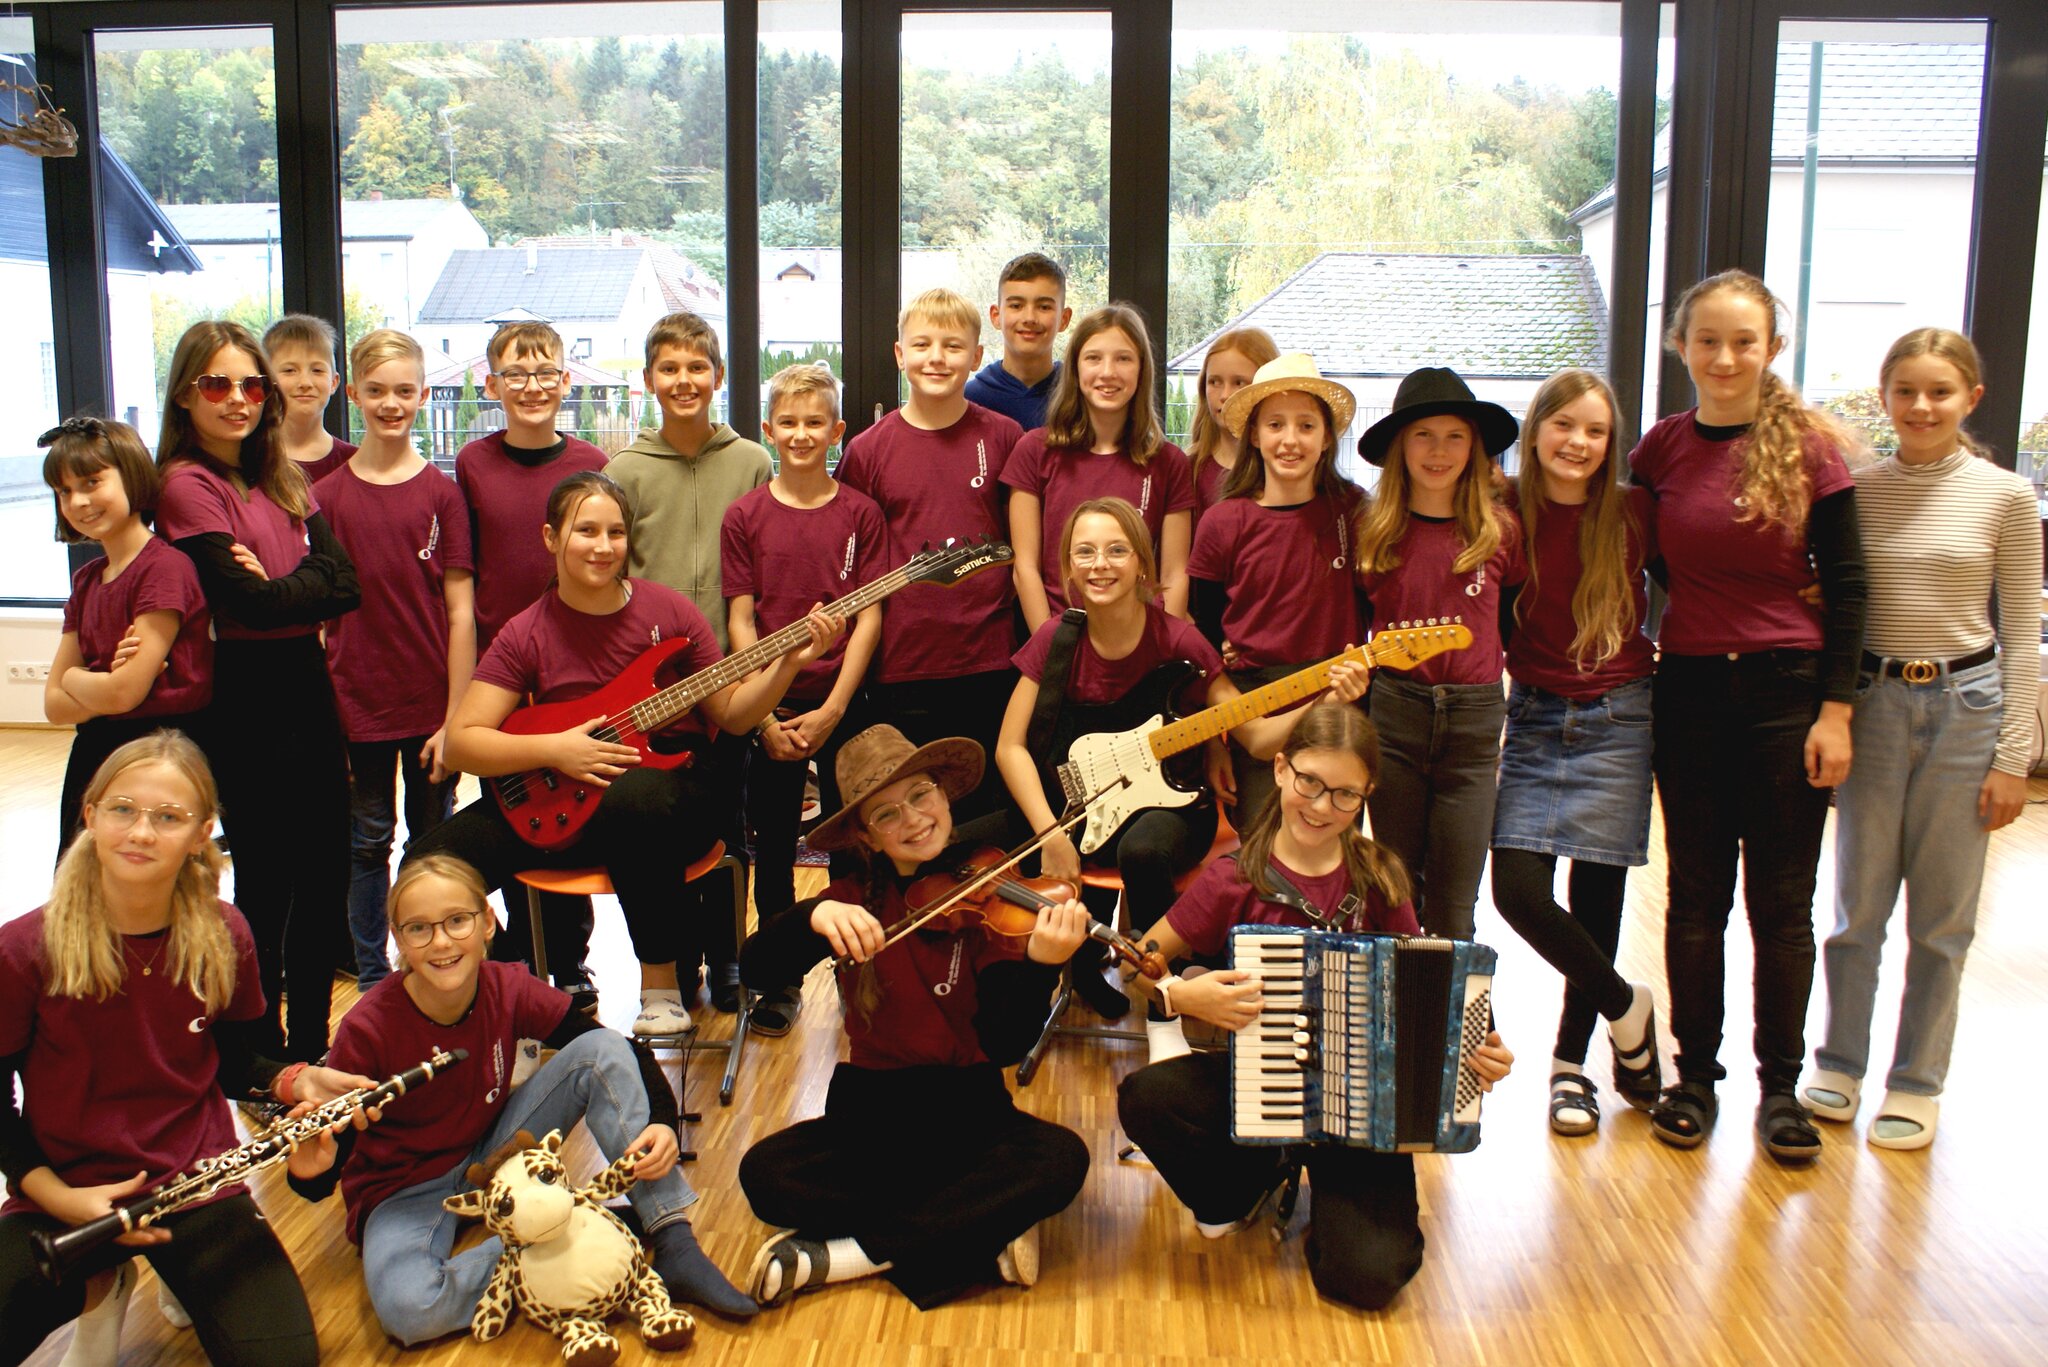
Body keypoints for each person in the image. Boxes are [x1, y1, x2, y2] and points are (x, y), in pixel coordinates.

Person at [410, 470, 841, 1036]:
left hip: (667, 808)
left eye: (616, 532)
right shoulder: (526, 631)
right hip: (560, 803)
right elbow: (465, 740)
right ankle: (480, 1000)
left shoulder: (671, 615)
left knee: (635, 799)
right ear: (550, 538)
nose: (603, 545)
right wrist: (558, 750)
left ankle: (659, 990)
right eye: (586, 530)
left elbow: (733, 713)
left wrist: (787, 661)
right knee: (427, 867)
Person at [1117, 702, 1514, 1310]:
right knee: (1146, 1098)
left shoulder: (1379, 880)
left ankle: (1330, 1198)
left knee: (1367, 1280)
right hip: (1256, 1084)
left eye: (1344, 794)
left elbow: (1431, 982)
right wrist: (1178, 993)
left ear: (1367, 796)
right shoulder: (1233, 878)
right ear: (1280, 770)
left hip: (1358, 1112)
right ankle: (1243, 1186)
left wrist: (1478, 1049)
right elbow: (1135, 960)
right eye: (1310, 782)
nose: (1322, 806)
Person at [0, 733, 374, 1367]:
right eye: (122, 809)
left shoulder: (225, 935)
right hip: (64, 1192)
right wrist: (62, 1199)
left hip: (192, 1184)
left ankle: (172, 1269)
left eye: (167, 817)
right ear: (88, 816)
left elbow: (231, 1062)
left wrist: (293, 1085)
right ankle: (104, 1280)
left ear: (203, 832)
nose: (141, 832)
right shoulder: (23, 948)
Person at [283, 852, 757, 1343]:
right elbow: (326, 1160)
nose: (442, 941)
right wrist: (309, 1173)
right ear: (398, 939)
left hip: (491, 1155)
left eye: (458, 921)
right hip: (403, 1191)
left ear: (487, 922)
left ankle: (674, 1239)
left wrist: (662, 1119)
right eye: (419, 929)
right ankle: (568, 1229)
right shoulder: (367, 1026)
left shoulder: (505, 985)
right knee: (411, 1310)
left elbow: (617, 1049)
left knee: (599, 1051)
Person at [1629, 268, 1868, 1162]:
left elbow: (1849, 587)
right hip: (1687, 690)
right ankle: (1696, 1077)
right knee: (1694, 899)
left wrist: (1835, 711)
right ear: (1680, 346)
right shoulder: (1659, 449)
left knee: (1780, 902)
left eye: (1745, 340)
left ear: (1772, 348)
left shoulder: (1812, 449)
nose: (1726, 357)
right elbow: (1646, 559)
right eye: (1709, 340)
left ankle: (1780, 1088)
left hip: (1787, 695)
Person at [736, 724, 1092, 1310]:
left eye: (921, 794)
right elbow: (757, 968)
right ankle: (979, 1230)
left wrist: (1039, 968)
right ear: (868, 838)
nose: (914, 819)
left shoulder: (991, 890)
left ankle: (844, 1258)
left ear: (945, 796)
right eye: (887, 814)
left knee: (1062, 1160)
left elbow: (1002, 1043)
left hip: (971, 1115)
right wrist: (812, 919)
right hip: (870, 1118)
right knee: (763, 1174)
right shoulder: (850, 903)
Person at [995, 497, 1370, 1020]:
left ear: (1143, 564)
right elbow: (1009, 746)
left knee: (1144, 851)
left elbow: (1258, 738)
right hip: (1081, 808)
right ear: (1067, 569)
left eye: (1116, 550)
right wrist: (1049, 835)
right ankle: (1081, 963)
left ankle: (1158, 984)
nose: (1100, 564)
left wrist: (1327, 696)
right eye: (1085, 552)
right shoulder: (1055, 640)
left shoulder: (1180, 642)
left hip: (1171, 808)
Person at [1805, 328, 2040, 1151]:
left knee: (1942, 919)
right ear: (1885, 397)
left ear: (1970, 398)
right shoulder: (1855, 493)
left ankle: (1916, 1081)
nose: (1921, 406)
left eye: (1939, 391)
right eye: (1905, 390)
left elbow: (2024, 632)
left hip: (1965, 708)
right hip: (1871, 702)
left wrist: (2015, 755)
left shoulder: (2006, 497)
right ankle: (1838, 1063)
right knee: (1856, 907)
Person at [155, 319, 360, 1062]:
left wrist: (283, 583)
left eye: (251, 384)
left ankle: (313, 1044)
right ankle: (258, 1050)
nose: (238, 399)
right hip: (246, 696)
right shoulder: (184, 484)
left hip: (307, 685)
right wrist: (293, 585)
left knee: (325, 877)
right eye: (218, 384)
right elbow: (252, 607)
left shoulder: (281, 474)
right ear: (185, 395)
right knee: (268, 885)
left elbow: (347, 584)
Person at [1487, 369, 1661, 1136]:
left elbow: (1708, 580)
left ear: (1611, 441)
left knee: (1598, 904)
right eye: (1564, 426)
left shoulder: (1632, 512)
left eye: (1595, 431)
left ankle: (1571, 1067)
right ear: (1537, 430)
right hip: (1532, 717)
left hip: (1620, 716)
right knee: (1518, 892)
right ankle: (1628, 1005)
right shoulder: (1501, 509)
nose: (1579, 443)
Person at [608, 310, 775, 1011]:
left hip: (731, 675)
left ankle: (728, 957)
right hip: (652, 689)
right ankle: (670, 962)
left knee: (729, 821)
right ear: (649, 379)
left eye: (696, 368)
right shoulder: (622, 470)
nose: (683, 380)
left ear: (719, 376)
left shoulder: (752, 462)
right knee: (664, 827)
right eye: (669, 369)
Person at [724, 362, 885, 1037]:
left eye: (814, 422)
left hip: (842, 705)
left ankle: (860, 969)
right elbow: (740, 620)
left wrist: (835, 709)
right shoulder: (746, 514)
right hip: (774, 710)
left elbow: (870, 616)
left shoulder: (861, 513)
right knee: (776, 851)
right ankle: (780, 978)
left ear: (837, 431)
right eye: (787, 422)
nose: (800, 433)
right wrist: (764, 715)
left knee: (856, 845)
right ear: (767, 430)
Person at [453, 319, 609, 1006]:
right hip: (502, 672)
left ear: (566, 382)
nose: (532, 386)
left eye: (545, 372)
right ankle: (520, 956)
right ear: (491, 386)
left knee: (571, 810)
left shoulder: (594, 460)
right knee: (512, 812)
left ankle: (570, 963)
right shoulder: (471, 464)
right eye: (515, 374)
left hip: (573, 663)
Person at [315, 329, 475, 990]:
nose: (390, 403)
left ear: (423, 395)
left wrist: (456, 716)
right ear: (352, 394)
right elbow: (317, 621)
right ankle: (376, 974)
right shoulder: (323, 498)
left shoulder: (442, 494)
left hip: (431, 704)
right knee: (365, 842)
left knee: (431, 842)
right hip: (357, 704)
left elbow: (461, 610)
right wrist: (332, 717)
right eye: (376, 390)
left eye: (403, 391)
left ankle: (426, 959)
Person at [834, 288, 1025, 825]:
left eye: (951, 346)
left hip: (989, 660)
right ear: (900, 354)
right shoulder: (867, 451)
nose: (936, 357)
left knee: (985, 819)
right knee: (912, 819)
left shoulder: (1005, 437)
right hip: (902, 665)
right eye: (922, 345)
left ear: (977, 356)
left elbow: (1024, 540)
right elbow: (853, 565)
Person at [1354, 366, 1527, 942]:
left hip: (1474, 724)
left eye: (1454, 436)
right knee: (1398, 893)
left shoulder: (1499, 529)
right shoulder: (1373, 530)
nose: (1438, 451)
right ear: (1400, 447)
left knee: (1455, 905)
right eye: (1423, 436)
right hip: (1395, 715)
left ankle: (1454, 1027)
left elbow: (1507, 621)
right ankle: (1399, 1024)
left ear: (1474, 446)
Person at [1191, 354, 1368, 825]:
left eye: (1306, 426)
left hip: (1339, 698)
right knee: (1264, 853)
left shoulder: (1355, 511)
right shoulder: (1222, 523)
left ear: (1326, 436)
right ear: (1254, 434)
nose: (1290, 440)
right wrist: (1216, 740)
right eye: (1275, 425)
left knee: (1331, 848)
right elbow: (1204, 645)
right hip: (1253, 708)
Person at [40, 418, 211, 857]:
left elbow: (123, 694)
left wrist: (75, 678)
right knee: (80, 880)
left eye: (92, 482)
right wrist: (88, 681)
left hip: (158, 754)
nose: (78, 501)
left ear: (131, 475)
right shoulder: (87, 580)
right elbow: (54, 706)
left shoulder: (163, 568)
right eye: (64, 491)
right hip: (93, 752)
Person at [1003, 303, 1195, 629]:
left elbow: (1175, 575)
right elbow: (1025, 568)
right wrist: (1050, 648)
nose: (1108, 372)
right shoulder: (1034, 451)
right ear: (1076, 370)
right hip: (1059, 638)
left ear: (1141, 370)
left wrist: (1161, 648)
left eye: (1123, 358)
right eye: (1094, 358)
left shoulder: (1168, 462)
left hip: (1140, 642)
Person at [963, 251, 1072, 430]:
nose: (1029, 318)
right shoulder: (969, 400)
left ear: (1064, 319)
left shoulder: (1079, 395)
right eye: (1016, 306)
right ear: (996, 316)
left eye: (1044, 307)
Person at [1184, 326, 1279, 529]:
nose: (1225, 395)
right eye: (1215, 382)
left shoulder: (1283, 467)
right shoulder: (1189, 470)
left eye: (1239, 383)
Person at [262, 314, 355, 485]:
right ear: (268, 380)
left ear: (334, 382)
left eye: (317, 370)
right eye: (290, 370)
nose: (305, 383)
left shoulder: (356, 463)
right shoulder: (249, 459)